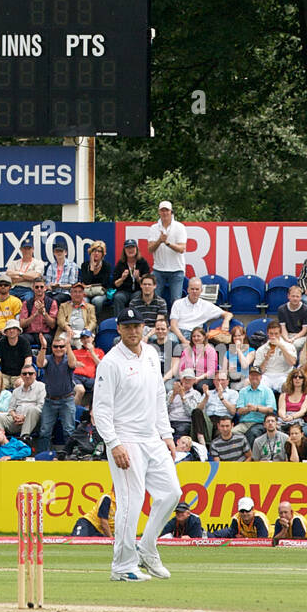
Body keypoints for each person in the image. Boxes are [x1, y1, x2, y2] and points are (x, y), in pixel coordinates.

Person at [92, 306, 181, 581]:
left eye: (137, 326)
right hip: (125, 438)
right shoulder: (110, 362)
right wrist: (113, 443)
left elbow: (157, 395)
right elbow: (101, 409)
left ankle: (147, 546)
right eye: (127, 327)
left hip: (151, 437)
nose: (133, 332)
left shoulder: (152, 354)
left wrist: (166, 434)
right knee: (131, 502)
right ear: (119, 329)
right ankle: (122, 566)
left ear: (144, 327)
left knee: (171, 493)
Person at [147, 200, 187, 314]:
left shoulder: (180, 227)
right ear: (159, 212)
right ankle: (156, 324)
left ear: (171, 212)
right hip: (158, 269)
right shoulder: (154, 228)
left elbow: (181, 249)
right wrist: (159, 241)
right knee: (155, 300)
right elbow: (150, 249)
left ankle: (175, 325)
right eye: (162, 210)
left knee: (176, 301)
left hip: (176, 269)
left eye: (167, 210)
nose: (164, 213)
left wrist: (167, 243)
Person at [112, 239, 152, 316]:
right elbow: (115, 284)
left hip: (137, 290)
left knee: (137, 297)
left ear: (136, 249)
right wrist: (122, 278)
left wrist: (138, 278)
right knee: (118, 297)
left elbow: (148, 282)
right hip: (124, 291)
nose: (130, 250)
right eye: (128, 248)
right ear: (124, 250)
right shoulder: (121, 263)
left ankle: (136, 321)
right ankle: (119, 321)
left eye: (132, 247)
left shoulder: (142, 262)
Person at [79, 241, 113, 318]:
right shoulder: (85, 265)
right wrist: (91, 268)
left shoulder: (106, 266)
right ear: (91, 252)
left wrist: (89, 285)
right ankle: (85, 321)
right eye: (94, 250)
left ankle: (96, 320)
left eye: (99, 251)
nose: (96, 253)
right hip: (87, 293)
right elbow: (86, 280)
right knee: (85, 300)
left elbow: (104, 283)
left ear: (103, 254)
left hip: (100, 292)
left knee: (97, 301)